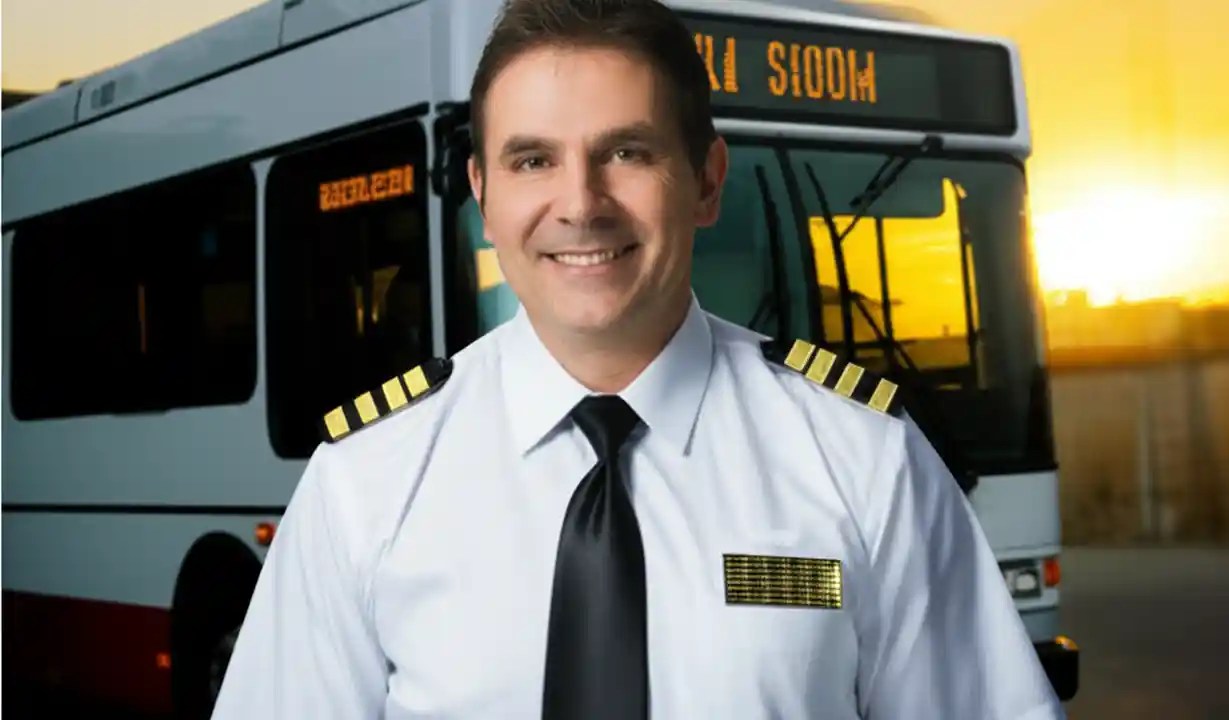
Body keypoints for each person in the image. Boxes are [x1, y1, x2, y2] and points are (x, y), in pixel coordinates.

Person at [212, 0, 1066, 717]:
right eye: (533, 160)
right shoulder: (366, 483)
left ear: (706, 181)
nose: (580, 205)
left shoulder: (866, 460)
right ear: (484, 194)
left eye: (626, 152)